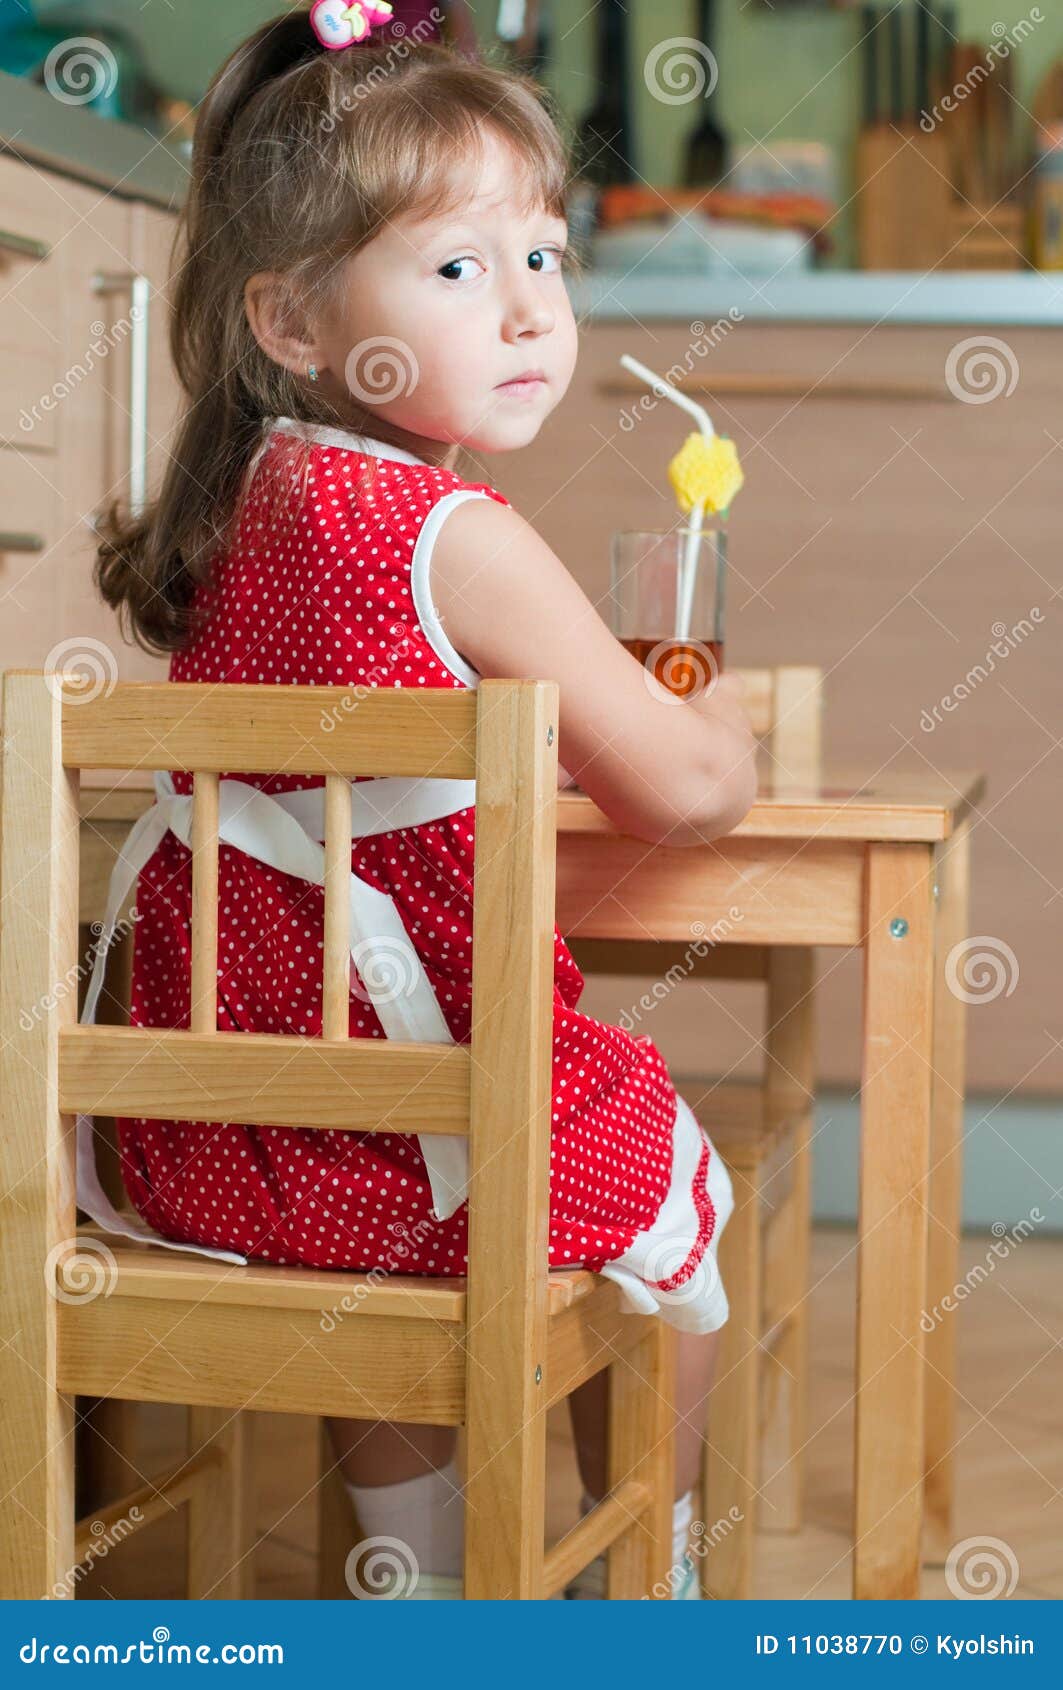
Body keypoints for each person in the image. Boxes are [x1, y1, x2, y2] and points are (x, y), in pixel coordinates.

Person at [94, 5, 758, 1600]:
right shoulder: (453, 533)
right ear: (294, 319)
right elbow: (681, 793)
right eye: (459, 267)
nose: (529, 309)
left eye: (545, 256)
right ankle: (640, 1577)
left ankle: (412, 1585)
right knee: (677, 1176)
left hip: (201, 1128)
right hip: (429, 1135)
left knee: (397, 1209)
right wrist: (716, 725)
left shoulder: (242, 504)